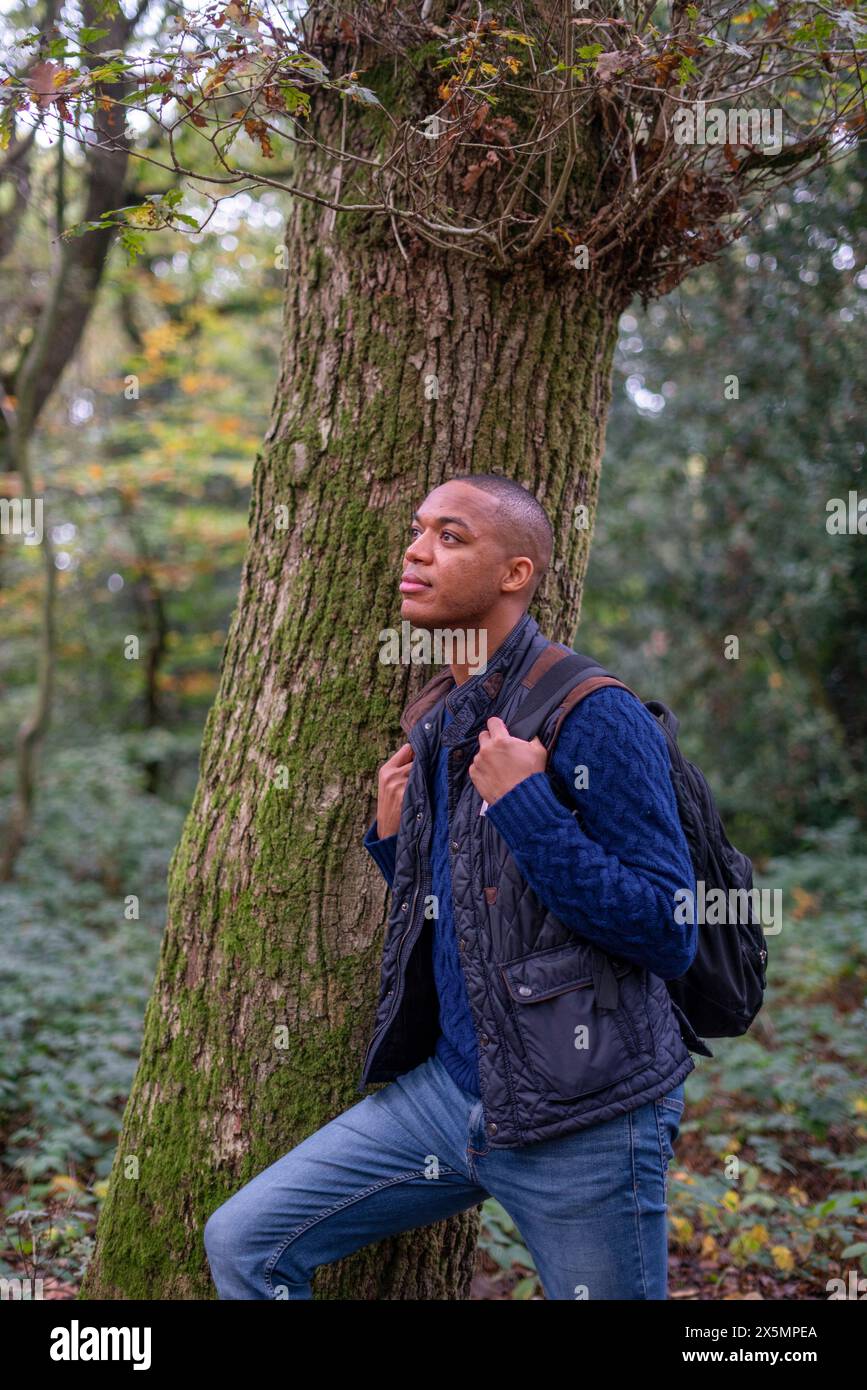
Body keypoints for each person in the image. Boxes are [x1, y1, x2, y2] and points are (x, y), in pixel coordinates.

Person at [204, 474, 698, 1300]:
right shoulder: (445, 714)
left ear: (515, 573)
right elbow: (482, 911)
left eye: (450, 535)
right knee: (243, 1241)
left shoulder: (592, 711)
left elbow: (667, 927)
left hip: (585, 1118)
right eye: (417, 529)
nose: (415, 548)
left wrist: (528, 805)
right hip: (452, 1094)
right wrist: (399, 843)